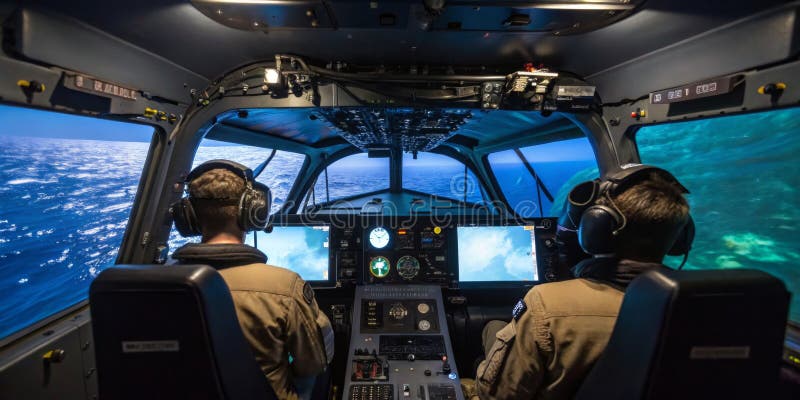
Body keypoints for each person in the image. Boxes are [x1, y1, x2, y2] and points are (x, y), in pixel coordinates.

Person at [476, 166, 691, 400]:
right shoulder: (700, 308)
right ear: (680, 237)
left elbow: (499, 395)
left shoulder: (548, 304)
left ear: (595, 228)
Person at [171, 161, 334, 400]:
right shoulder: (284, 287)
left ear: (188, 215)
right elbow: (313, 363)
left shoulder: (158, 285)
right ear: (253, 212)